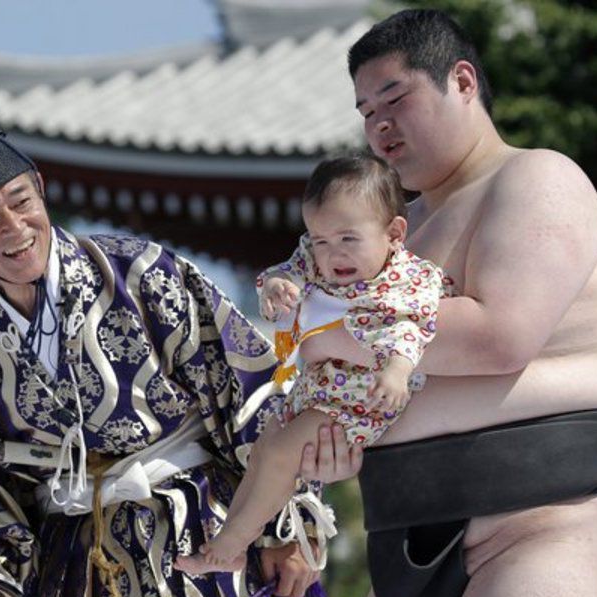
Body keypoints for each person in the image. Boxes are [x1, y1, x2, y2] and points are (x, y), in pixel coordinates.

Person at [0, 108, 328, 597]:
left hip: (200, 535)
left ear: (42, 189)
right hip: (70, 584)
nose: (13, 228)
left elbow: (250, 390)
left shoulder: (142, 272)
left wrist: (290, 519)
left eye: (21, 202)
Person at [294, 9, 597, 597]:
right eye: (366, 111)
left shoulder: (536, 177)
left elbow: (498, 336)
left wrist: (334, 334)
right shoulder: (392, 234)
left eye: (395, 97)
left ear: (461, 80)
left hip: (537, 518)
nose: (379, 124)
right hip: (405, 536)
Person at [176, 153, 444, 573]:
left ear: (394, 232)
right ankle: (230, 536)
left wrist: (397, 370)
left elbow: (416, 325)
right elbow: (289, 270)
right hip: (316, 390)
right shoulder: (314, 255)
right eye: (321, 240)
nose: (332, 252)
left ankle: (230, 547)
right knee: (264, 449)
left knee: (281, 452)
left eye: (348, 239)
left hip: (360, 401)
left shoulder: (410, 278)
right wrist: (279, 286)